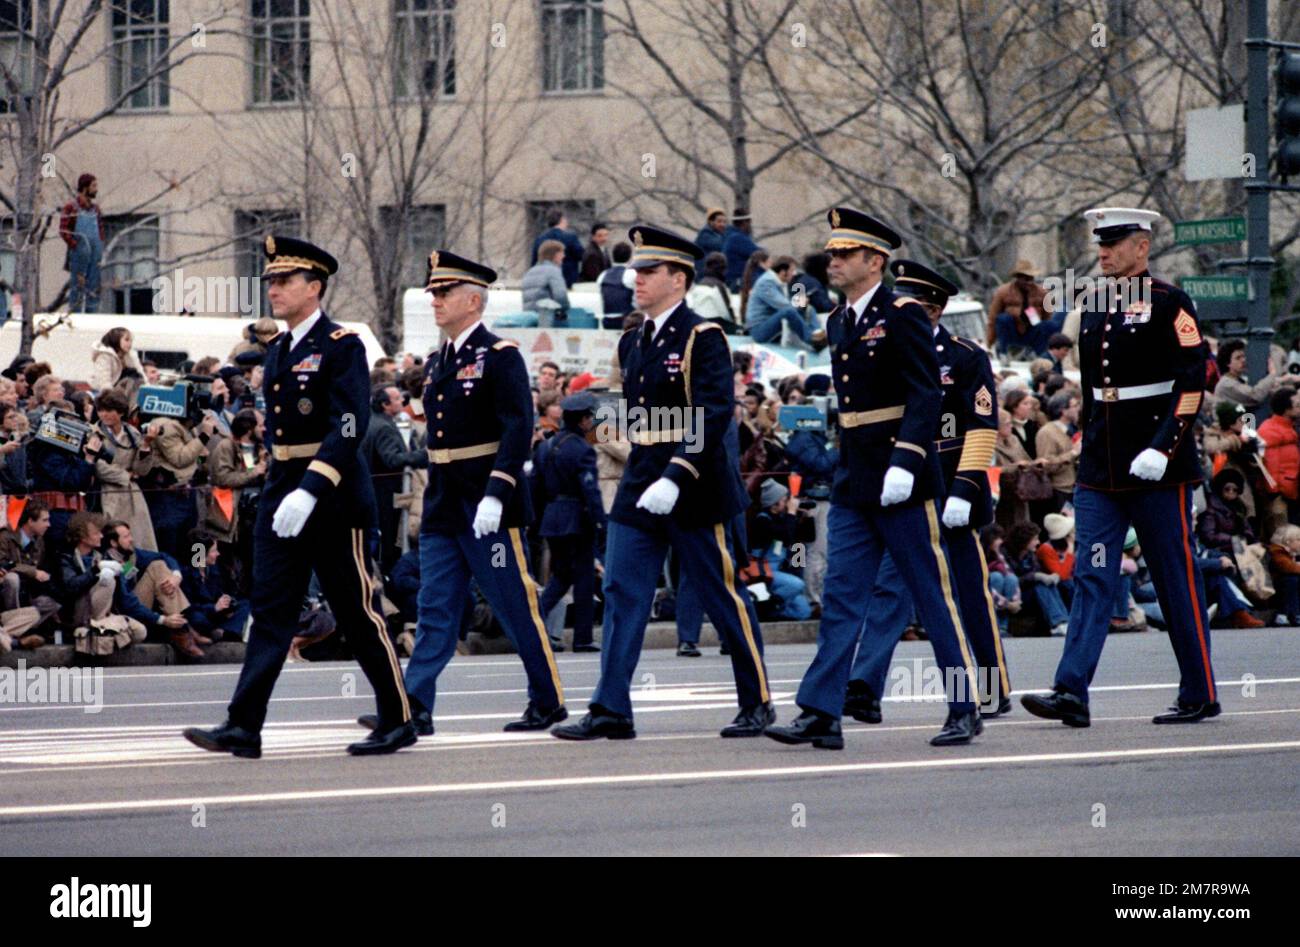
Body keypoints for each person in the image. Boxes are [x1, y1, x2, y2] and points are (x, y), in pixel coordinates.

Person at [184, 235, 414, 759]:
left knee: (356, 611)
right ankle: (243, 726)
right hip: (283, 490)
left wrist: (311, 487)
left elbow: (350, 424)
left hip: (331, 496)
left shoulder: (342, 345)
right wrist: (283, 487)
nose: (274, 289)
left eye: (284, 280)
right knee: (270, 610)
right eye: (270, 281)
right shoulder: (281, 349)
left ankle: (399, 717)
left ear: (314, 287)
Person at [765, 209, 982, 749]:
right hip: (856, 477)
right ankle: (821, 710)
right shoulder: (840, 320)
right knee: (841, 595)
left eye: (843, 254)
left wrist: (907, 463)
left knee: (931, 596)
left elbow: (926, 394)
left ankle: (964, 705)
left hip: (900, 477)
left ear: (874, 261)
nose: (832, 261)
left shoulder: (905, 313)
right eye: (832, 253)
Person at [552, 224, 772, 741]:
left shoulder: (704, 336)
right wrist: (593, 435)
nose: (637, 280)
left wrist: (676, 474)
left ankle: (757, 699)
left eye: (649, 272)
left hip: (693, 483)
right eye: (636, 271)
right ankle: (611, 707)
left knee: (720, 595)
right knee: (623, 589)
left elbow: (714, 412)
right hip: (641, 477)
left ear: (679, 279)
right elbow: (629, 413)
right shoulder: (633, 339)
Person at [1021, 207, 1218, 728]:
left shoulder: (1170, 302)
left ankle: (1200, 691)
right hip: (1102, 464)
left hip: (1158, 466)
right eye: (1100, 243)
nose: (1103, 252)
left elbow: (1193, 381)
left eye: (1115, 243)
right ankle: (1071, 692)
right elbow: (1093, 390)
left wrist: (1165, 446)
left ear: (1142, 247)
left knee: (1176, 578)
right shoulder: (1094, 302)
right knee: (1092, 572)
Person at [396, 249, 566, 738]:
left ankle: (548, 700)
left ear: (473, 300)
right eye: (433, 293)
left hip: (486, 502)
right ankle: (414, 706)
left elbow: (517, 428)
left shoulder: (501, 355)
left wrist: (496, 493)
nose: (436, 301)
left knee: (514, 605)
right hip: (445, 500)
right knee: (435, 607)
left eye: (444, 293)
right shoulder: (437, 362)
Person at [845, 259, 1011, 722]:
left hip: (954, 487)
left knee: (968, 595)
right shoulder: (886, 350)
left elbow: (981, 429)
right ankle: (865, 686)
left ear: (933, 312)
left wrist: (962, 490)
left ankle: (991, 687)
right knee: (891, 590)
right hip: (911, 488)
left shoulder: (965, 357)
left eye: (911, 304)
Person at [533, 391, 607, 653]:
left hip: (552, 517)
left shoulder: (546, 446)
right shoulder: (582, 450)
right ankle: (583, 637)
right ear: (584, 420)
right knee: (584, 577)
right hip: (577, 517)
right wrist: (602, 523)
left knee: (562, 575)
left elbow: (536, 486)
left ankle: (534, 621)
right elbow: (590, 490)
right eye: (590, 418)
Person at [60, 513, 185, 653]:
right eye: (126, 537)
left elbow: (163, 556)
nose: (131, 540)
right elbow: (72, 586)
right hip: (91, 611)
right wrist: (161, 619)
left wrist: (176, 575)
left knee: (159, 566)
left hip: (124, 608)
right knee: (108, 576)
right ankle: (179, 631)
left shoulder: (125, 556)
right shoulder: (71, 558)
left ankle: (179, 627)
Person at [362, 384, 428, 576]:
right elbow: (392, 459)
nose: (402, 401)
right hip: (386, 493)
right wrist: (421, 456)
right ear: (385, 404)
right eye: (397, 399)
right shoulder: (384, 427)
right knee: (389, 540)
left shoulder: (372, 422)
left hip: (377, 489)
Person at [91, 388, 158, 553]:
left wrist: (146, 445)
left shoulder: (132, 433)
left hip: (132, 495)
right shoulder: (93, 433)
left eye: (109, 410)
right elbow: (97, 467)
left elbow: (141, 470)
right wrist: (125, 475)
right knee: (113, 541)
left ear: (120, 412)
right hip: (106, 493)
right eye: (101, 410)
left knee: (139, 540)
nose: (104, 414)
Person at [0, 500, 60, 638]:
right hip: (6, 596)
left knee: (51, 605)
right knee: (12, 578)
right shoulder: (5, 537)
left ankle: (12, 632)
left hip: (26, 594)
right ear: (30, 521)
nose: (48, 524)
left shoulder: (39, 541)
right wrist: (32, 572)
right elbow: (3, 564)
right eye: (44, 520)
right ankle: (16, 626)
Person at [181, 528, 252, 643]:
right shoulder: (186, 574)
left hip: (216, 614)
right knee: (196, 618)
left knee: (246, 604)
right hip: (202, 614)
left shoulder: (213, 569)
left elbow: (219, 592)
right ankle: (224, 631)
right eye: (214, 551)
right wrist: (213, 608)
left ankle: (221, 631)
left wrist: (227, 601)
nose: (218, 554)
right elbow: (187, 607)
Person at [744, 253, 825, 349]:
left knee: (809, 308)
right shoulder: (766, 282)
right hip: (759, 330)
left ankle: (818, 334)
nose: (794, 274)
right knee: (789, 311)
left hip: (770, 322)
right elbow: (783, 306)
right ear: (783, 272)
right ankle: (811, 339)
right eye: (792, 271)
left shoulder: (780, 282)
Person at [987, 259, 1051, 358]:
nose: (1029, 282)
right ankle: (1003, 352)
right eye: (1026, 279)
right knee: (1002, 318)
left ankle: (1039, 355)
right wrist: (989, 343)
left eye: (1031, 279)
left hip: (1032, 328)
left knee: (1047, 325)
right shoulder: (1003, 291)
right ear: (1018, 278)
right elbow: (992, 318)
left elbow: (1047, 317)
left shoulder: (1042, 293)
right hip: (1012, 330)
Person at [60, 173, 105, 313]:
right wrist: (76, 246)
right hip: (79, 257)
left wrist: (100, 247)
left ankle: (92, 320)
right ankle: (75, 320)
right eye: (94, 186)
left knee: (94, 290)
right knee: (77, 290)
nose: (96, 189)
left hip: (95, 255)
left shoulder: (95, 209)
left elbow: (101, 231)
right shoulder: (71, 207)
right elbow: (63, 230)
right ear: (85, 188)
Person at [1035, 389, 1081, 511]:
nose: (1078, 408)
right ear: (1063, 410)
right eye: (1074, 406)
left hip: (1076, 487)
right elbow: (1046, 465)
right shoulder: (1047, 432)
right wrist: (1073, 453)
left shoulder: (1072, 429)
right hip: (1059, 491)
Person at [1213, 338, 1284, 411]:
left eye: (1243, 356)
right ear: (1227, 363)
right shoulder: (1227, 384)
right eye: (1238, 358)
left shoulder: (1236, 380)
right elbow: (1254, 395)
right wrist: (1272, 374)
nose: (1243, 360)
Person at [530, 209, 585, 287]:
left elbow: (534, 262)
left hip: (545, 281)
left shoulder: (539, 239)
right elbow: (581, 255)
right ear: (561, 220)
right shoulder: (571, 237)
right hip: (567, 281)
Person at [521, 239, 571, 318]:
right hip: (547, 317)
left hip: (530, 319)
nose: (564, 256)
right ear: (555, 255)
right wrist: (566, 311)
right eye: (562, 253)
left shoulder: (529, 272)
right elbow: (560, 295)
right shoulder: (553, 271)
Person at [89, 327, 144, 391]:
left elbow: (140, 372)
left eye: (131, 340)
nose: (130, 343)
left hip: (125, 392)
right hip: (105, 392)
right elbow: (104, 381)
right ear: (116, 339)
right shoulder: (105, 355)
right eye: (127, 340)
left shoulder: (130, 355)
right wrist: (110, 396)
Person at [598, 241, 636, 327]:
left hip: (606, 321)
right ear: (630, 257)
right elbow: (637, 301)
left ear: (613, 256)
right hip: (627, 323)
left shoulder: (602, 275)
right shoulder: (632, 274)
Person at [722, 210, 760, 290]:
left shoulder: (731, 235)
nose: (750, 225)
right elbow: (759, 254)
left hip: (736, 281)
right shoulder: (737, 238)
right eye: (749, 222)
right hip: (738, 282)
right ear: (744, 223)